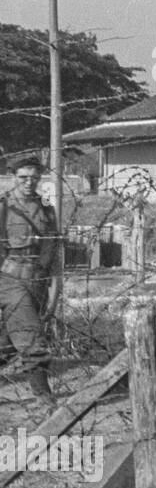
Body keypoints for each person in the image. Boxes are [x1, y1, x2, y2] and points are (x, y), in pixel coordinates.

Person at [0, 157, 58, 404]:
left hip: (39, 279)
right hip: (10, 278)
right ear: (13, 177)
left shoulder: (46, 206)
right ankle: (44, 396)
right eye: (23, 177)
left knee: (11, 339)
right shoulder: (4, 206)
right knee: (31, 336)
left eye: (34, 178)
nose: (28, 182)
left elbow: (54, 246)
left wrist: (55, 287)